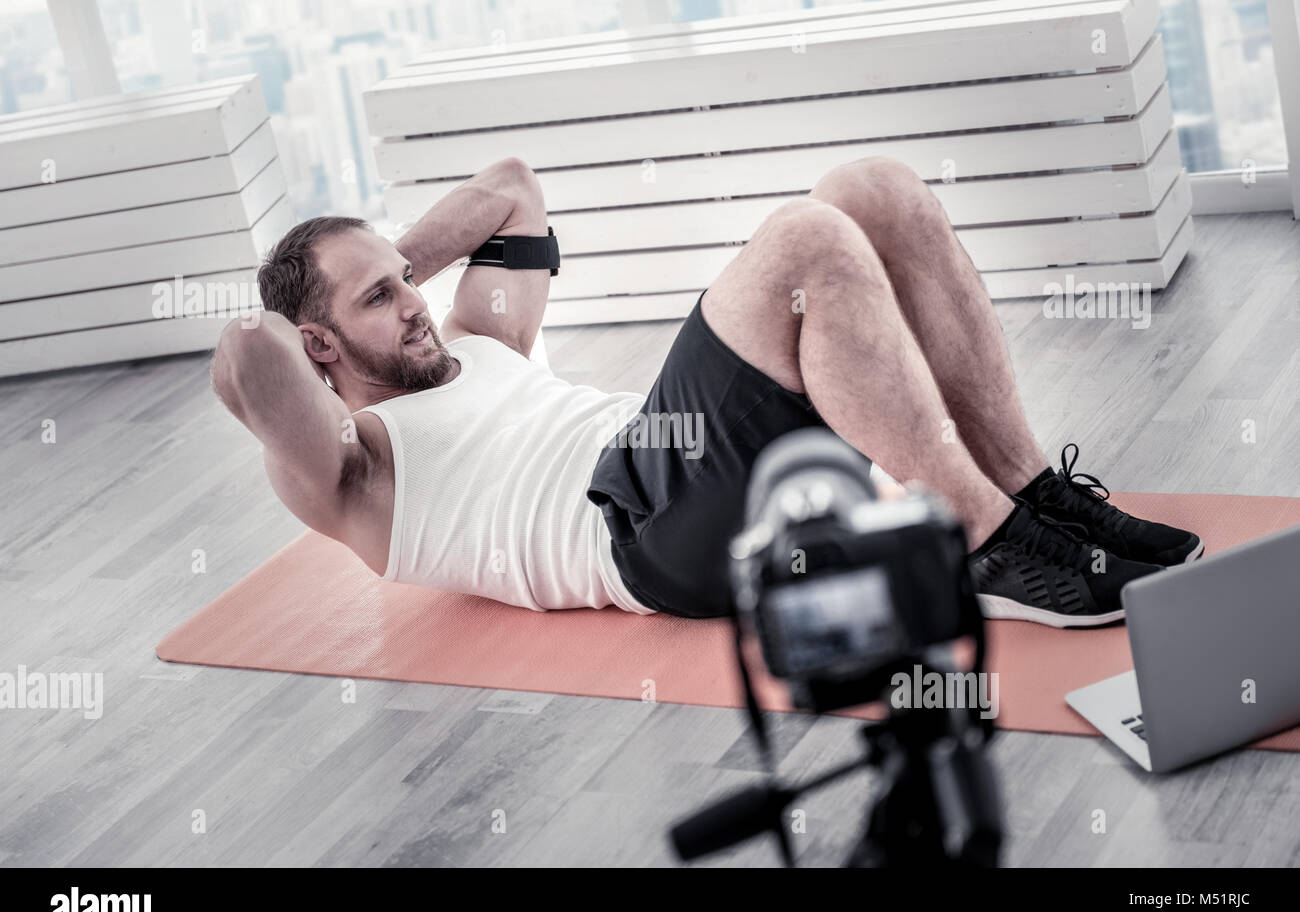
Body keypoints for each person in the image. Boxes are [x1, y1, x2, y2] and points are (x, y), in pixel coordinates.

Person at [210, 156, 1201, 628]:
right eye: (380, 300)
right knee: (802, 244)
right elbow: (249, 349)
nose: (414, 304)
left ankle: (1028, 494)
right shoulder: (352, 470)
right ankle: (985, 543)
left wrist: (390, 269)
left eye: (406, 283)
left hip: (669, 459)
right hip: (642, 539)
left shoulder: (480, 336)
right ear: (320, 344)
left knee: (872, 191)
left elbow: (510, 188)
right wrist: (326, 319)